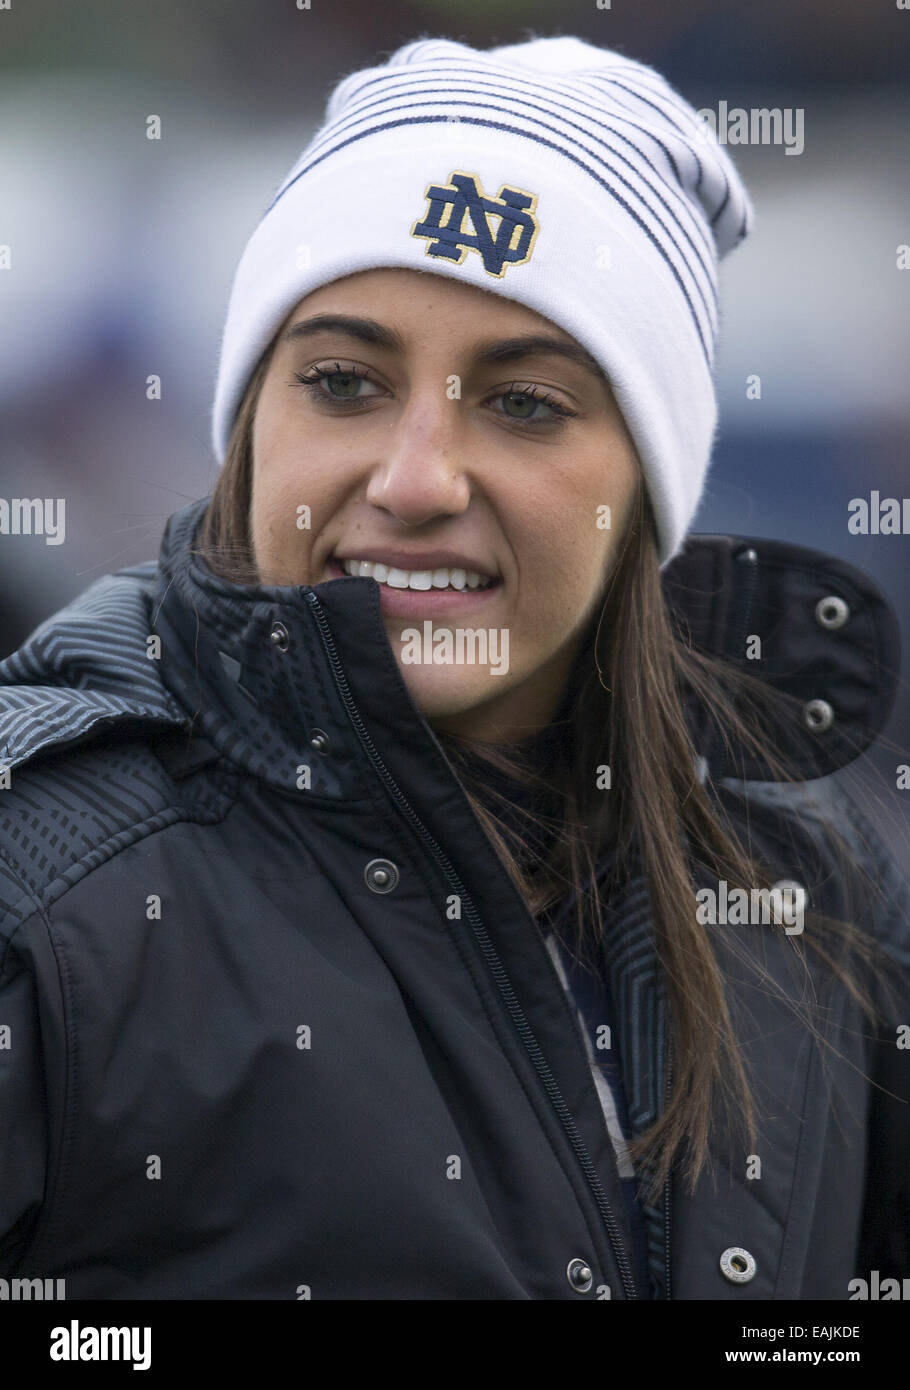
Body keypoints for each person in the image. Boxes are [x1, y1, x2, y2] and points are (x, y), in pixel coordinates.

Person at [0, 34, 907, 1302]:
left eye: (525, 402)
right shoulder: (43, 888)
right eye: (341, 381)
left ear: (648, 485)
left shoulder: (815, 901)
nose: (416, 478)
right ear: (252, 428)